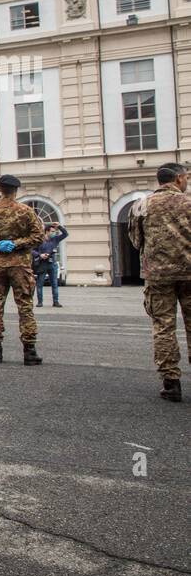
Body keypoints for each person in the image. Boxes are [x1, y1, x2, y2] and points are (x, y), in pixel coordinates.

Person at [128, 162, 191, 402]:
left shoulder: (142, 206)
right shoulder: (189, 203)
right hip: (189, 273)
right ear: (177, 179)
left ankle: (171, 382)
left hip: (158, 275)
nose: (186, 182)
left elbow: (135, 240)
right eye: (186, 178)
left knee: (163, 327)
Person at [0, 174, 45, 365]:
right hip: (20, 265)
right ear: (16, 191)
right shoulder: (26, 211)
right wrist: (16, 243)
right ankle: (29, 351)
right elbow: (38, 237)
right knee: (25, 307)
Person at [33, 222, 69, 308]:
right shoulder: (39, 240)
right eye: (52, 231)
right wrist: (40, 255)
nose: (54, 233)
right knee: (40, 284)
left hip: (52, 264)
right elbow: (31, 250)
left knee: (54, 284)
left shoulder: (55, 239)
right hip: (42, 264)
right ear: (47, 231)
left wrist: (59, 226)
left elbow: (65, 234)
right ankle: (40, 302)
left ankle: (55, 302)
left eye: (54, 231)